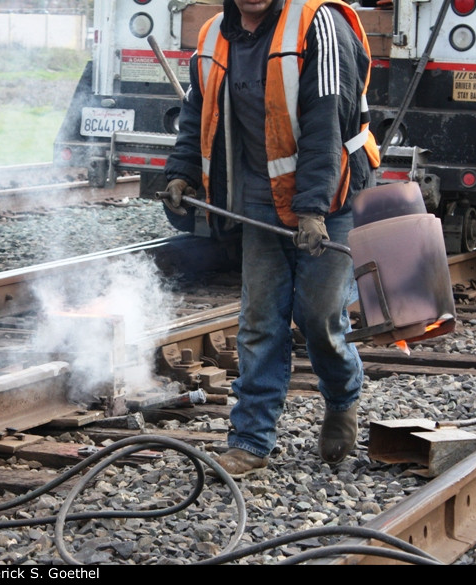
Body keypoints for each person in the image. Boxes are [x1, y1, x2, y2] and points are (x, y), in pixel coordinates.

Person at [160, 0, 380, 477]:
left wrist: (312, 209)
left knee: (319, 316)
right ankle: (251, 439)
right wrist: (182, 173)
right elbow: (197, 111)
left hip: (330, 195)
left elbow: (328, 123)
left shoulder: (318, 25)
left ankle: (342, 399)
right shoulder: (216, 33)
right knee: (260, 322)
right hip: (260, 201)